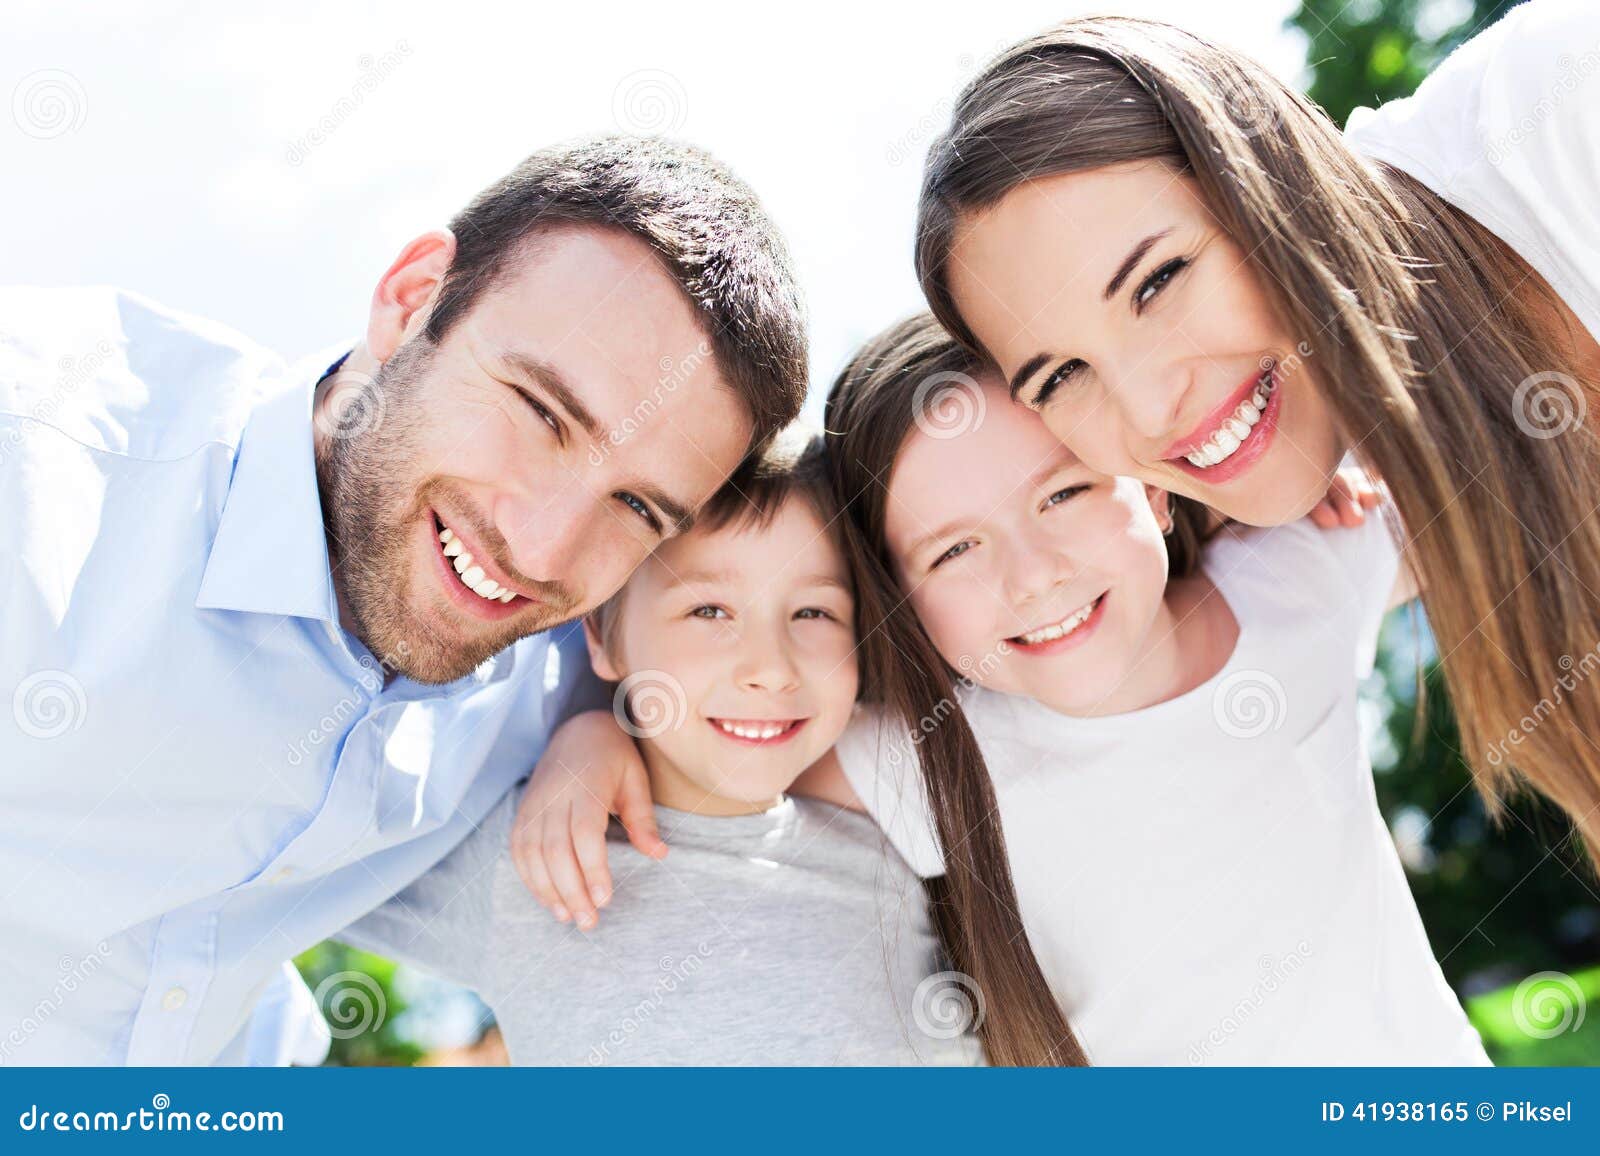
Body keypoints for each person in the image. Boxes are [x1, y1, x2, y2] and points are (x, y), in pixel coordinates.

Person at [0, 133, 807, 1064]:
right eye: (541, 413)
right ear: (414, 297)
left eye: (634, 505)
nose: (541, 546)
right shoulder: (40, 473)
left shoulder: (559, 659)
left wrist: (599, 728)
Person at [515, 315, 1487, 1064]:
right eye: (954, 549)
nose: (1033, 573)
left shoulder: (1293, 578)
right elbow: (721, 746)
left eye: (1063, 492)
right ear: (902, 600)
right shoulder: (930, 752)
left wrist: (1297, 464)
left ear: (1147, 480)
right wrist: (594, 736)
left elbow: (1500, 465)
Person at [911, 4, 1600, 867]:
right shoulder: (1404, 496)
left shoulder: (1564, 101)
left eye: (1159, 280)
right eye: (1062, 376)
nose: (1152, 409)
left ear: (1267, 173)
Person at [341, 435, 984, 1065]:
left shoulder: (898, 831)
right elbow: (272, 865)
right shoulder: (531, 854)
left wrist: (592, 730)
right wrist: (587, 728)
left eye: (814, 613)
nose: (771, 667)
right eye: (708, 611)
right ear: (602, 639)